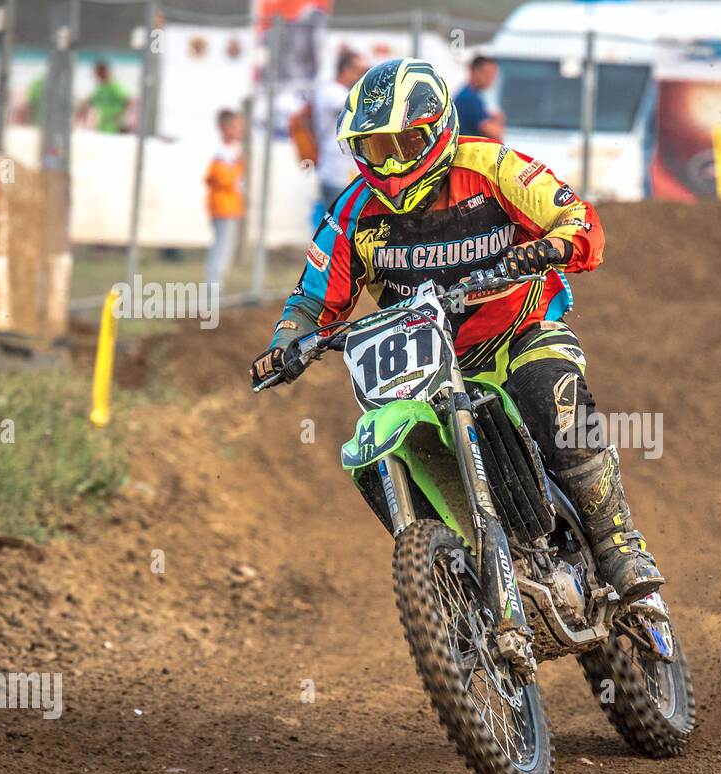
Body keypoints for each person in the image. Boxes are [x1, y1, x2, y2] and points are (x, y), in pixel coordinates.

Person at [250, 58, 665, 612]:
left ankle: (618, 544)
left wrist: (548, 246)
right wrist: (289, 343)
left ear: (439, 129)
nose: (393, 162)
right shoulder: (353, 210)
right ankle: (455, 578)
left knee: (549, 393)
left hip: (519, 329)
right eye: (377, 149)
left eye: (405, 142)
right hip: (424, 362)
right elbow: (312, 297)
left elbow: (580, 221)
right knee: (378, 442)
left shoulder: (491, 166)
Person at [313, 50, 368, 210]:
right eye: (358, 71)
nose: (360, 76)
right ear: (346, 70)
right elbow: (355, 109)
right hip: (335, 173)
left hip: (346, 173)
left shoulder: (343, 92)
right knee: (339, 227)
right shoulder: (331, 91)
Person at [204, 109, 245, 286]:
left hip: (230, 206)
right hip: (223, 207)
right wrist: (239, 166)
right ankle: (214, 287)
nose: (239, 131)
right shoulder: (221, 153)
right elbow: (219, 178)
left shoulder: (231, 151)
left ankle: (217, 286)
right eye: (235, 127)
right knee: (220, 249)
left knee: (225, 249)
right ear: (225, 128)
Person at [454, 55, 504, 139]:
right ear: (475, 71)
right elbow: (494, 133)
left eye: (493, 74)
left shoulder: (474, 95)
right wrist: (498, 120)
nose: (491, 78)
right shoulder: (468, 98)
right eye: (487, 73)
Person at [77, 60, 130, 133]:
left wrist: (119, 117)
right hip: (104, 127)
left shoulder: (114, 87)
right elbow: (88, 103)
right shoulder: (100, 89)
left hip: (117, 128)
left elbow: (127, 101)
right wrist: (79, 117)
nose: (95, 76)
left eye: (96, 73)